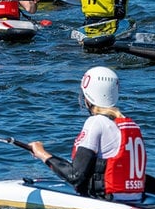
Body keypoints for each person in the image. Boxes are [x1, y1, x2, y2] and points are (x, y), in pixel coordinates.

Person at [29, 66, 147, 202]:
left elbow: (75, 176)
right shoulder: (132, 125)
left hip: (107, 200)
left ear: (87, 98)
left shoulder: (96, 122)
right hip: (136, 198)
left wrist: (41, 153)